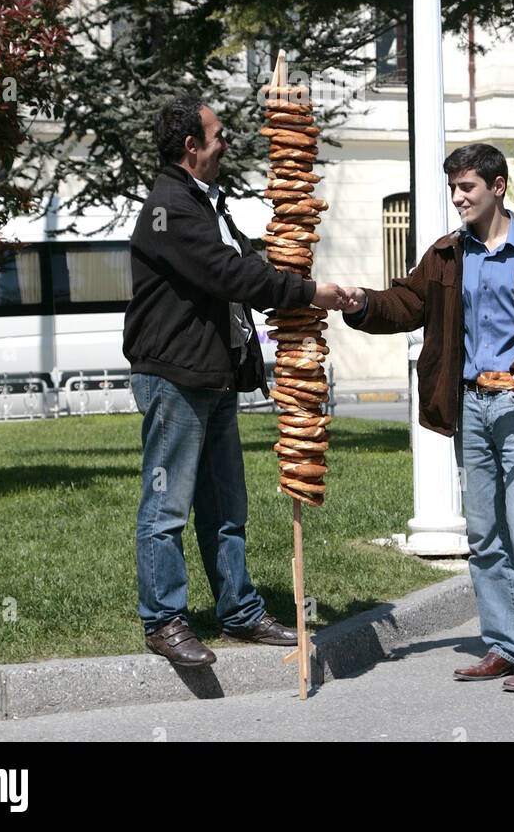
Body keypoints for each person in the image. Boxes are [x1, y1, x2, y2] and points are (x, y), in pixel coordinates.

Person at [340, 143, 514, 691]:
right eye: (454, 187)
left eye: (468, 188)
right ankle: (505, 646)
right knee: (483, 536)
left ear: (497, 187)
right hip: (472, 406)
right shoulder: (447, 255)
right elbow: (405, 304)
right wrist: (358, 301)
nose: (457, 197)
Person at [123, 93, 347, 669]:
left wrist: (290, 263)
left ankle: (239, 609)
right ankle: (163, 621)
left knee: (226, 503)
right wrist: (304, 293)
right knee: (166, 505)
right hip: (174, 378)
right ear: (191, 146)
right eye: (218, 134)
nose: (227, 142)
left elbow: (242, 256)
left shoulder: (203, 201)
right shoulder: (167, 209)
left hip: (213, 375)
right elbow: (224, 272)